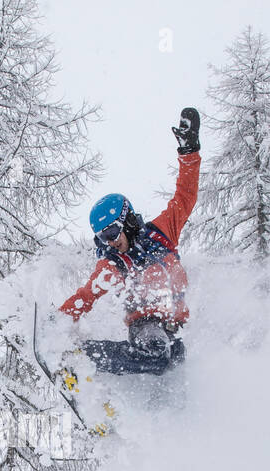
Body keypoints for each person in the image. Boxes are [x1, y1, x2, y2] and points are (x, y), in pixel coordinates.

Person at [57, 107, 201, 376]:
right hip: (145, 327)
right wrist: (56, 323)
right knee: (158, 353)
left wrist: (189, 152)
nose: (109, 242)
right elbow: (84, 297)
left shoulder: (161, 233)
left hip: (176, 330)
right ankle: (84, 355)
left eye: (111, 233)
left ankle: (147, 414)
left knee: (176, 364)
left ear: (127, 221)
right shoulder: (114, 265)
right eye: (101, 238)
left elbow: (185, 197)